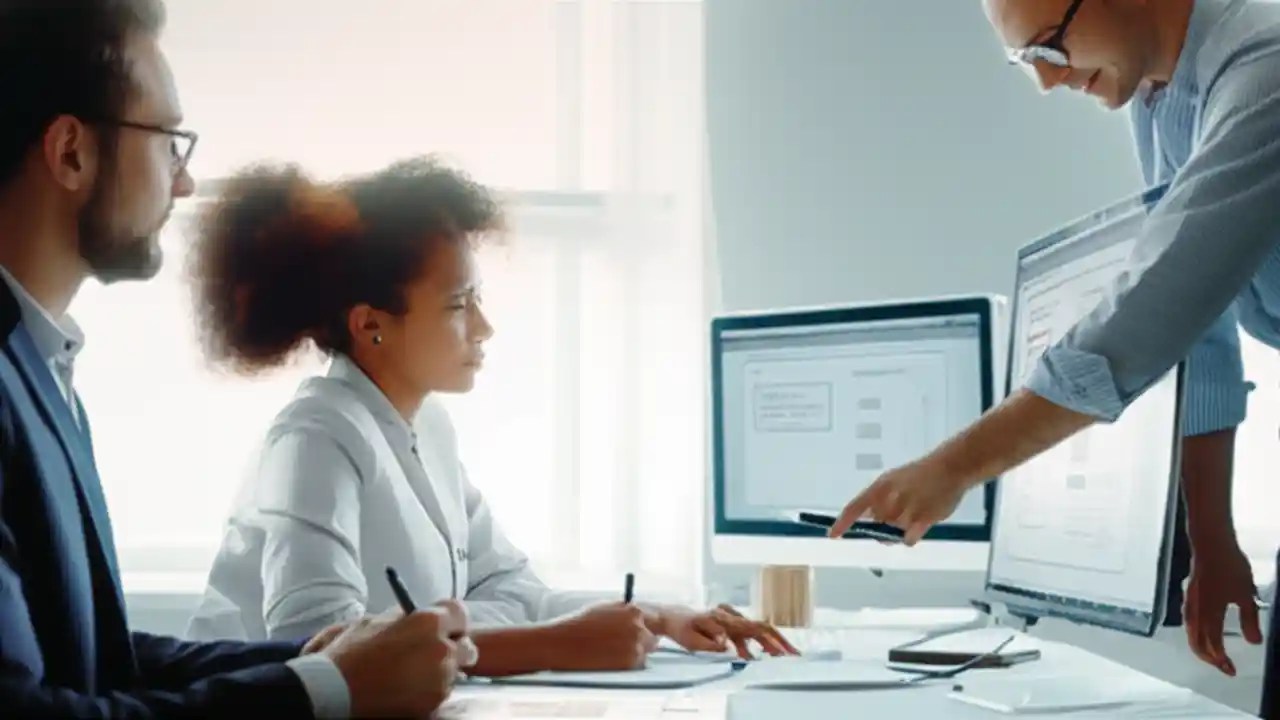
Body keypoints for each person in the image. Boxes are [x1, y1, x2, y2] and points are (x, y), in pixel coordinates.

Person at [0, 1, 470, 717]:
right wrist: (327, 689)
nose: (184, 183)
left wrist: (321, 658)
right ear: (71, 152)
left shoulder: (40, 366)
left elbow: (96, 660)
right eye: (168, 143)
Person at [181, 156, 800, 675]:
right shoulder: (315, 436)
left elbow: (517, 594)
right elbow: (319, 643)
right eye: (459, 303)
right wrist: (554, 645)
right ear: (369, 324)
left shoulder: (428, 430)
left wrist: (661, 615)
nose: (484, 327)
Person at [829, 0, 1280, 712]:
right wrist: (1211, 536)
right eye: (1028, 62)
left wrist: (953, 468)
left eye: (1049, 48)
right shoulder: (1162, 100)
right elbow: (1204, 327)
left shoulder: (1267, 66)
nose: (1047, 84)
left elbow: (1152, 311)